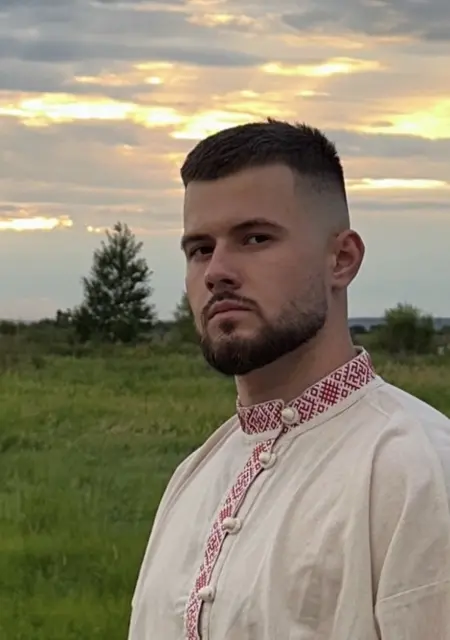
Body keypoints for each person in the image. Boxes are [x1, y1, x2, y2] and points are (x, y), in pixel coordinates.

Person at [127, 119, 450, 640]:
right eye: (200, 249)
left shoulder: (418, 471)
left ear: (341, 259)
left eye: (255, 238)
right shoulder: (195, 476)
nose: (217, 272)